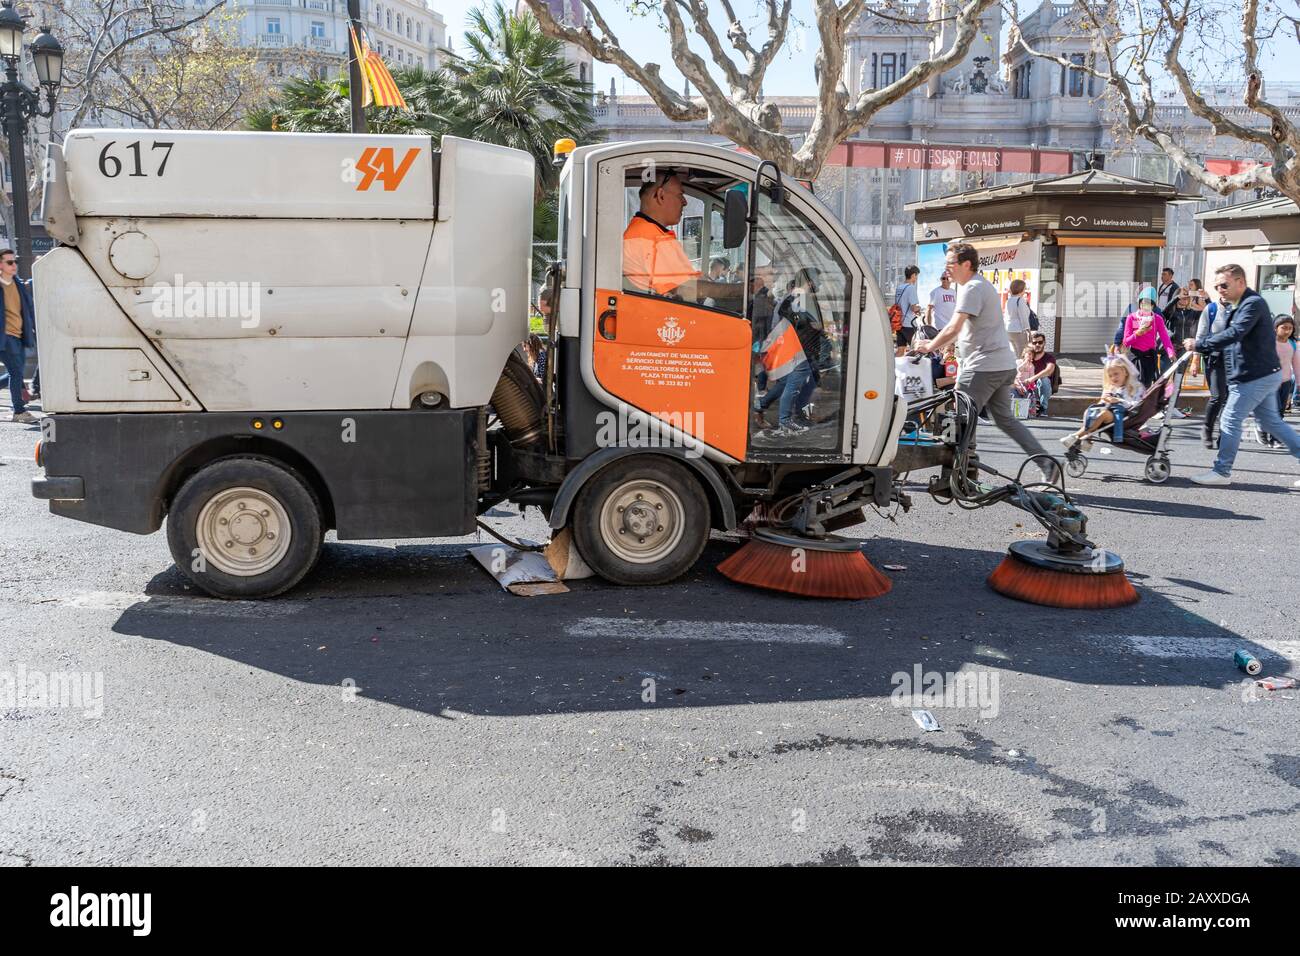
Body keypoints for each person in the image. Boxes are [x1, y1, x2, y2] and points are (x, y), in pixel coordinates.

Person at [914, 242, 1060, 484]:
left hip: (983, 366)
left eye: (951, 263)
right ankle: (1047, 464)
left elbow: (954, 326)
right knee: (1004, 419)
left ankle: (963, 474)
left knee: (960, 417)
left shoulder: (972, 287)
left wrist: (928, 346)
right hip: (1001, 365)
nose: (947, 268)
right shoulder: (979, 285)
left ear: (966, 264)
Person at [1183, 263, 1300, 488]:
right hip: (1258, 374)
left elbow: (1235, 334)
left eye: (1224, 285)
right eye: (1217, 286)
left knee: (1230, 418)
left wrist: (1199, 344)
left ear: (1240, 282)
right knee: (1273, 423)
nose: (1220, 290)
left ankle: (1222, 471)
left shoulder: (1252, 303)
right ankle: (1222, 470)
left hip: (1255, 376)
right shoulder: (1237, 305)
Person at [622, 171, 737, 304]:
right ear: (661, 196)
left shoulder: (647, 232)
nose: (685, 202)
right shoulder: (649, 238)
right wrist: (741, 290)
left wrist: (698, 279)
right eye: (680, 194)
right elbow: (685, 291)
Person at [756, 269, 822, 434]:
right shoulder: (800, 296)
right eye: (818, 280)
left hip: (788, 344)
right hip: (794, 346)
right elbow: (798, 321)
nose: (820, 284)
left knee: (786, 382)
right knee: (798, 379)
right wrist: (813, 326)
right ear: (810, 282)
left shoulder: (793, 295)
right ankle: (787, 420)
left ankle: (761, 406)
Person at [1059, 353, 1144, 450]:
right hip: (1111, 410)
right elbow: (1102, 403)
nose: (1113, 378)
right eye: (1110, 376)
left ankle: (1077, 435)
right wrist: (1104, 399)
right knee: (1089, 411)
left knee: (1103, 414)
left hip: (1125, 415)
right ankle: (1088, 439)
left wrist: (1118, 400)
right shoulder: (1113, 387)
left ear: (1125, 372)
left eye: (1116, 374)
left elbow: (1136, 405)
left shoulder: (1134, 387)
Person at [0, 249, 36, 424]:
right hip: (5, 337)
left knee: (17, 373)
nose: (14, 265)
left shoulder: (18, 284)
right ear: (0, 265)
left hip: (19, 335)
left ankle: (19, 409)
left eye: (14, 262)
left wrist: (33, 329)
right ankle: (19, 411)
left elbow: (28, 308)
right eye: (9, 262)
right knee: (16, 373)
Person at [1195, 287, 1232, 448]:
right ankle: (1207, 429)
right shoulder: (1211, 310)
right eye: (1222, 287)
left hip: (1235, 361)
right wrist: (1196, 360)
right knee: (1218, 396)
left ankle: (1224, 436)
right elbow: (1200, 336)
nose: (1225, 291)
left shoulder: (1241, 310)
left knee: (1230, 401)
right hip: (1215, 358)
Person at [1258, 314, 1300, 448]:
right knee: (1273, 410)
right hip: (1269, 382)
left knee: (1280, 410)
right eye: (1284, 328)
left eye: (1290, 328)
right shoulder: (1267, 342)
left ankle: (1265, 431)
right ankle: (1274, 437)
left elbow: (1297, 365)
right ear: (1275, 328)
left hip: (1285, 382)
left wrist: (1298, 383)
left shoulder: (1292, 344)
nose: (1287, 331)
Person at [1121, 286, 1176, 386]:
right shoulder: (1132, 318)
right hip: (1135, 357)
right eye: (1142, 304)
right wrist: (1137, 334)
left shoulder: (1157, 319)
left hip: (1150, 357)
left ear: (1153, 306)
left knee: (1147, 386)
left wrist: (1170, 352)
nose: (1144, 307)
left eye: (1148, 304)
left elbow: (1165, 337)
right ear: (1139, 304)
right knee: (1135, 386)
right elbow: (1126, 341)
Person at [1021, 332, 1058, 417]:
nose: (1037, 344)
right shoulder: (1028, 356)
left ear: (1044, 343)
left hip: (1043, 388)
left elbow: (1049, 370)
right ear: (1031, 344)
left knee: (1043, 379)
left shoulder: (1049, 358)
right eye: (1034, 343)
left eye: (1040, 342)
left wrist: (1033, 378)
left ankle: (1043, 409)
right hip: (1028, 387)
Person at [893, 265, 922, 347]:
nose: (916, 278)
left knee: (901, 350)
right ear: (913, 275)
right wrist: (919, 308)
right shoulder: (911, 288)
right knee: (916, 348)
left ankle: (894, 360)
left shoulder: (899, 287)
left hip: (899, 323)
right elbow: (914, 308)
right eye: (916, 276)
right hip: (909, 324)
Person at [1003, 278, 1032, 357]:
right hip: (1018, 330)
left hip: (1009, 330)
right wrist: (1028, 331)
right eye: (1024, 288)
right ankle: (1020, 369)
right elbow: (1023, 317)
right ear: (1021, 289)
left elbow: (1006, 316)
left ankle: (1015, 368)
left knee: (1015, 355)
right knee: (1022, 354)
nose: (1025, 290)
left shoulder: (1009, 300)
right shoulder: (1020, 300)